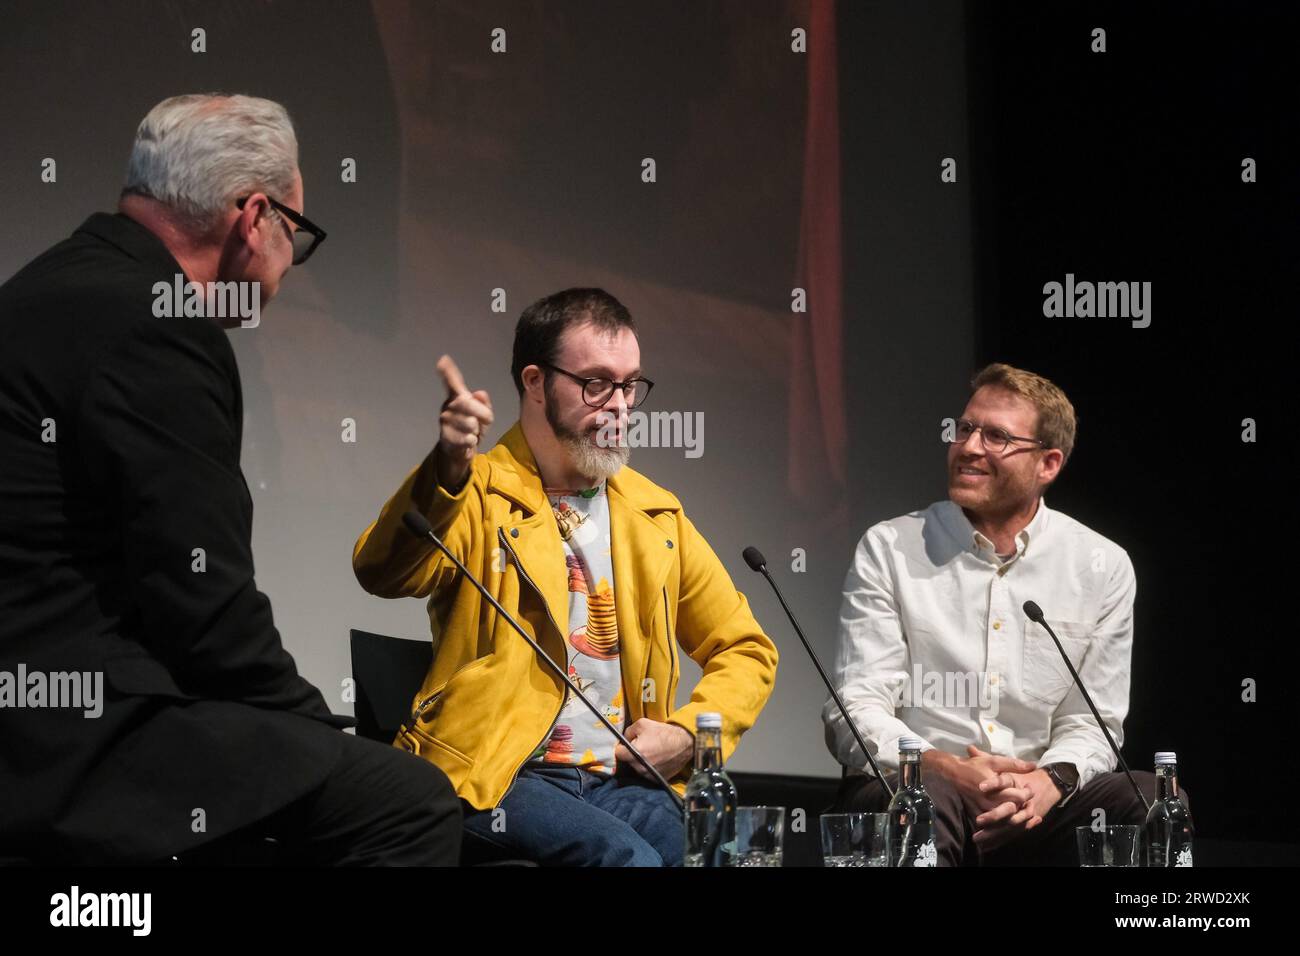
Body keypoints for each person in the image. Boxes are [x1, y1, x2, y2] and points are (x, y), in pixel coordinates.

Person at [0, 93, 460, 866]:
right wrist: (313, 728)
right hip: (69, 740)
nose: (290, 265)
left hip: (42, 707)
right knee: (407, 804)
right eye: (297, 234)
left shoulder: (44, 286)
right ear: (255, 218)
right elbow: (201, 600)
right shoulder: (161, 325)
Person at [352, 287, 779, 865]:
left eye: (630, 385)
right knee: (629, 862)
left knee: (727, 855)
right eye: (597, 383)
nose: (620, 406)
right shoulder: (477, 490)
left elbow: (745, 648)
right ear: (536, 382)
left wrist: (686, 736)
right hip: (499, 776)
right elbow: (382, 571)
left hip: (619, 783)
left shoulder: (655, 515)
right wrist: (446, 468)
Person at [824, 363, 1187, 865]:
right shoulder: (890, 547)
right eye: (965, 429)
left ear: (1048, 463)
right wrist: (947, 768)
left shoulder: (1101, 565)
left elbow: (1093, 722)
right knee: (929, 797)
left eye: (995, 436)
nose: (969, 447)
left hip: (1037, 802)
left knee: (1150, 801)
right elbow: (855, 708)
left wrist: (1048, 782)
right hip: (915, 786)